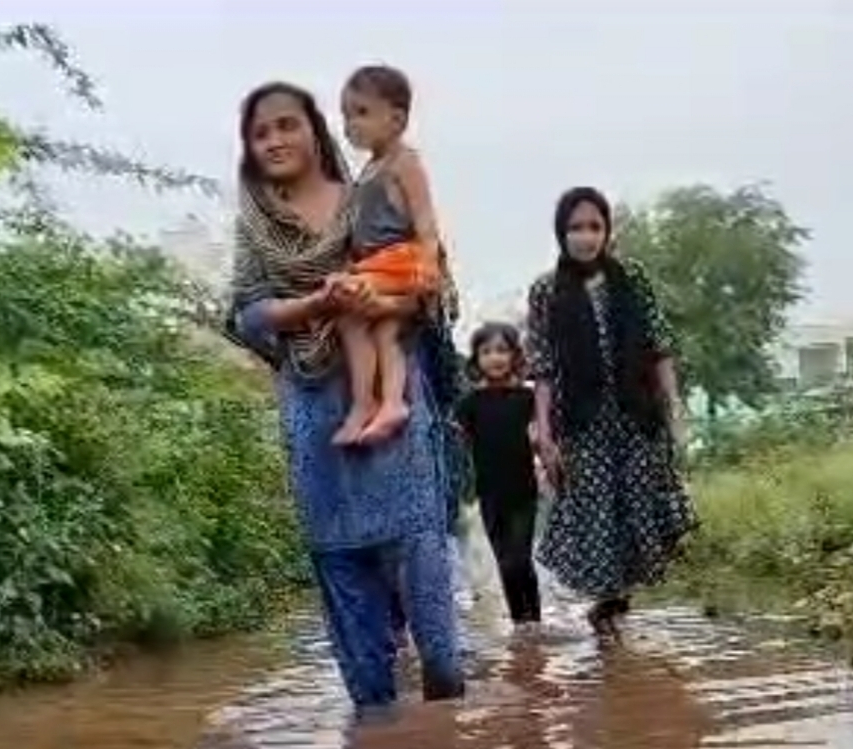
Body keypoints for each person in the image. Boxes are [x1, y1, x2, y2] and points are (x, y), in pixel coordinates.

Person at [225, 81, 463, 714]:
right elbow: (246, 317)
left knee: (421, 561)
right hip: (314, 410)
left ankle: (448, 722)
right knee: (343, 567)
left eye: (287, 125)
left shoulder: (367, 194)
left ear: (315, 130)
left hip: (396, 399)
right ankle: (377, 730)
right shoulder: (256, 223)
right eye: (260, 132)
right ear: (249, 147)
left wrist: (377, 299)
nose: (275, 140)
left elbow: (431, 284)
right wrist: (317, 303)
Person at [525, 186, 696, 638]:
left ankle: (618, 599)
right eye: (575, 228)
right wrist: (543, 433)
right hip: (580, 422)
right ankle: (607, 601)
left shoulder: (631, 278)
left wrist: (673, 406)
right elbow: (542, 367)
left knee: (639, 503)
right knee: (594, 508)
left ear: (607, 232)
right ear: (561, 234)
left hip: (634, 413)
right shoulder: (546, 291)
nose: (585, 237)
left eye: (594, 227)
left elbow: (659, 345)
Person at [329, 64, 444, 447]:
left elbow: (425, 222)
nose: (351, 124)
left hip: (402, 261)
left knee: (348, 307)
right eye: (346, 115)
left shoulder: (404, 163)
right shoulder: (366, 171)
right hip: (375, 265)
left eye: (361, 113)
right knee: (381, 327)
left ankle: (365, 402)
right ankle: (391, 402)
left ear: (396, 119)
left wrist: (429, 268)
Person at [456, 322, 542, 628]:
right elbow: (459, 445)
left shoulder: (527, 399)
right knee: (506, 564)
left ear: (514, 356)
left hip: (525, 492)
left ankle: (535, 620)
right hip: (490, 494)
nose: (495, 358)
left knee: (520, 559)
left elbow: (542, 436)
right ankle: (523, 625)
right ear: (476, 359)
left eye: (502, 350)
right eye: (487, 351)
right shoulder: (469, 404)